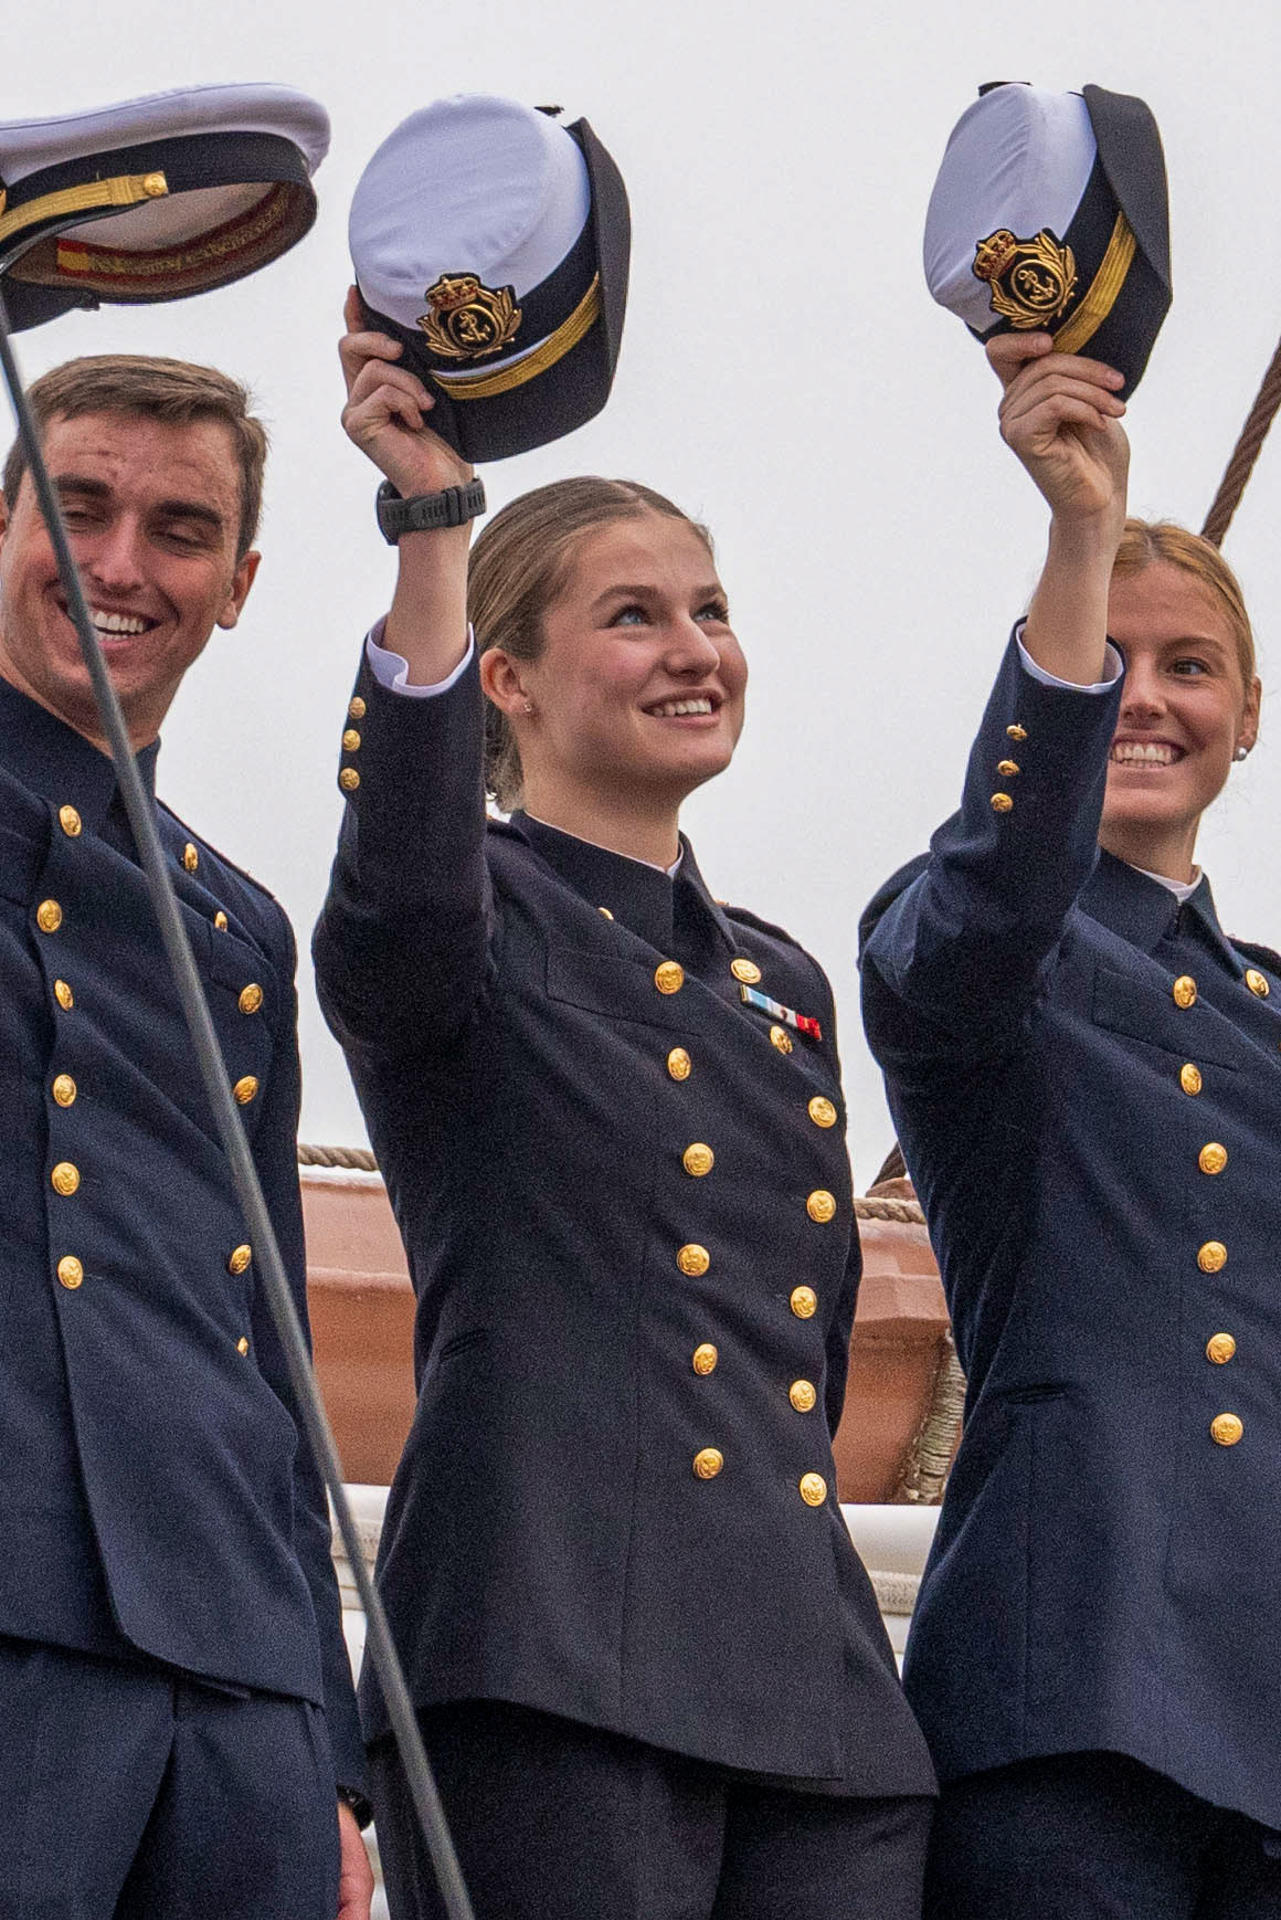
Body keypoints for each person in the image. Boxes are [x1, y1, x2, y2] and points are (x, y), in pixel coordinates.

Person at [313, 292, 937, 1920]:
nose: (693, 650)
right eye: (635, 617)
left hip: (809, 1694)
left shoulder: (776, 980)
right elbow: (397, 890)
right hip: (553, 1649)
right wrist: (436, 530)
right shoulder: (463, 914)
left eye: (709, 610)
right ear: (506, 682)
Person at [860, 329, 1281, 1918]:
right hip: (1070, 1690)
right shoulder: (971, 932)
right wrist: (1077, 540)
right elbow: (984, 898)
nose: (1150, 699)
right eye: (1114, 659)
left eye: (1190, 669)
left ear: (1250, 717)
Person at [0, 353, 372, 1920]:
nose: (119, 565)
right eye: (73, 507)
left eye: (178, 528)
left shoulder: (237, 923)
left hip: (236, 1676)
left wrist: (334, 1753)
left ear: (238, 585)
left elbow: (270, 1336)